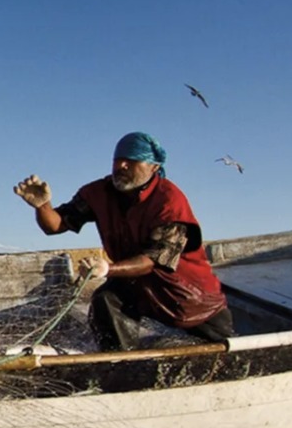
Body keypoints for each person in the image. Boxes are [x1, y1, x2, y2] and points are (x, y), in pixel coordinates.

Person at [13, 131, 233, 350]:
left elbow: (154, 260)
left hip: (189, 297)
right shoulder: (98, 193)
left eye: (131, 161)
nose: (122, 166)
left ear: (154, 167)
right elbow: (55, 225)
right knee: (106, 299)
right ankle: (118, 362)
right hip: (138, 288)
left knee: (221, 350)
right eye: (118, 160)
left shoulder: (169, 201)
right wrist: (43, 205)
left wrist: (107, 269)